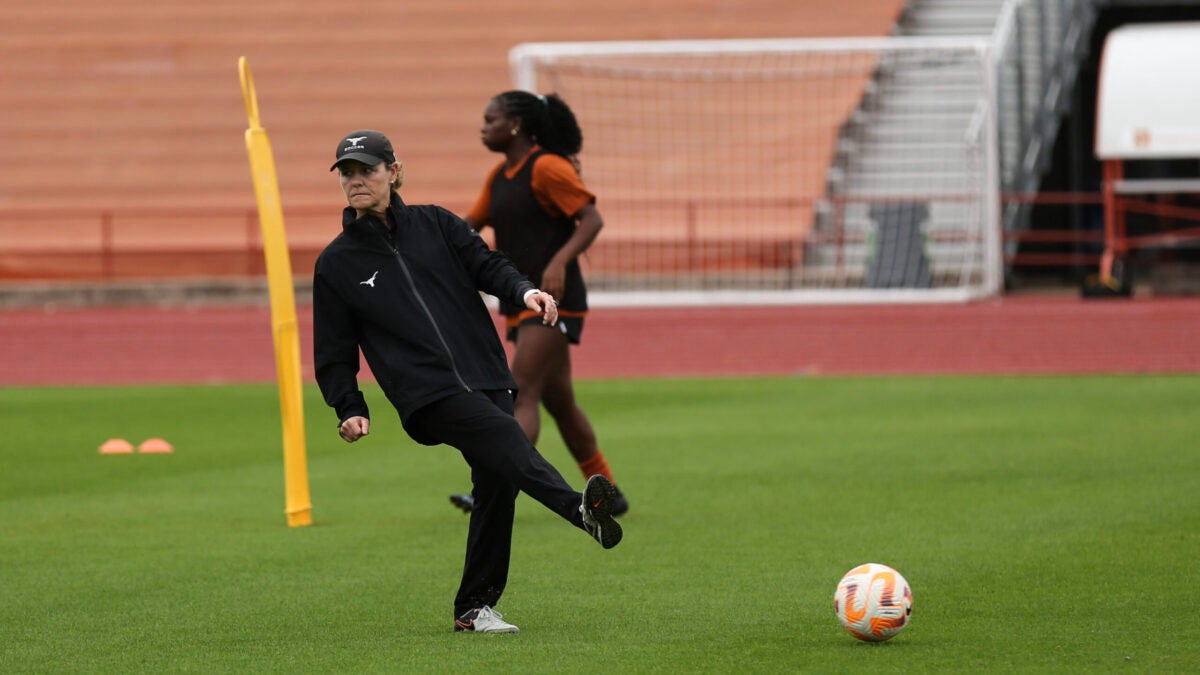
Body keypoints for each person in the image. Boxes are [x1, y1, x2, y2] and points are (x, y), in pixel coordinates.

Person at [313, 129, 624, 634]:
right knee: (507, 438)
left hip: (487, 376)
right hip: (427, 396)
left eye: (366, 170)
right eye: (346, 173)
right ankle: (577, 509)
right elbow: (332, 351)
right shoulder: (336, 264)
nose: (355, 181)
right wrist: (349, 405)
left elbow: (489, 266)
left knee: (498, 480)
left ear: (393, 172)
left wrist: (524, 293)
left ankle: (474, 608)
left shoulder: (437, 223)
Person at [449, 90, 629, 517]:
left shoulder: (547, 167)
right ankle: (611, 493)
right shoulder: (500, 177)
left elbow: (592, 218)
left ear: (514, 126)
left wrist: (559, 263)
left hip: (555, 299)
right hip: (521, 299)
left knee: (520, 392)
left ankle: (497, 485)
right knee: (558, 401)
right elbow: (467, 227)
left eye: (490, 119)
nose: (483, 127)